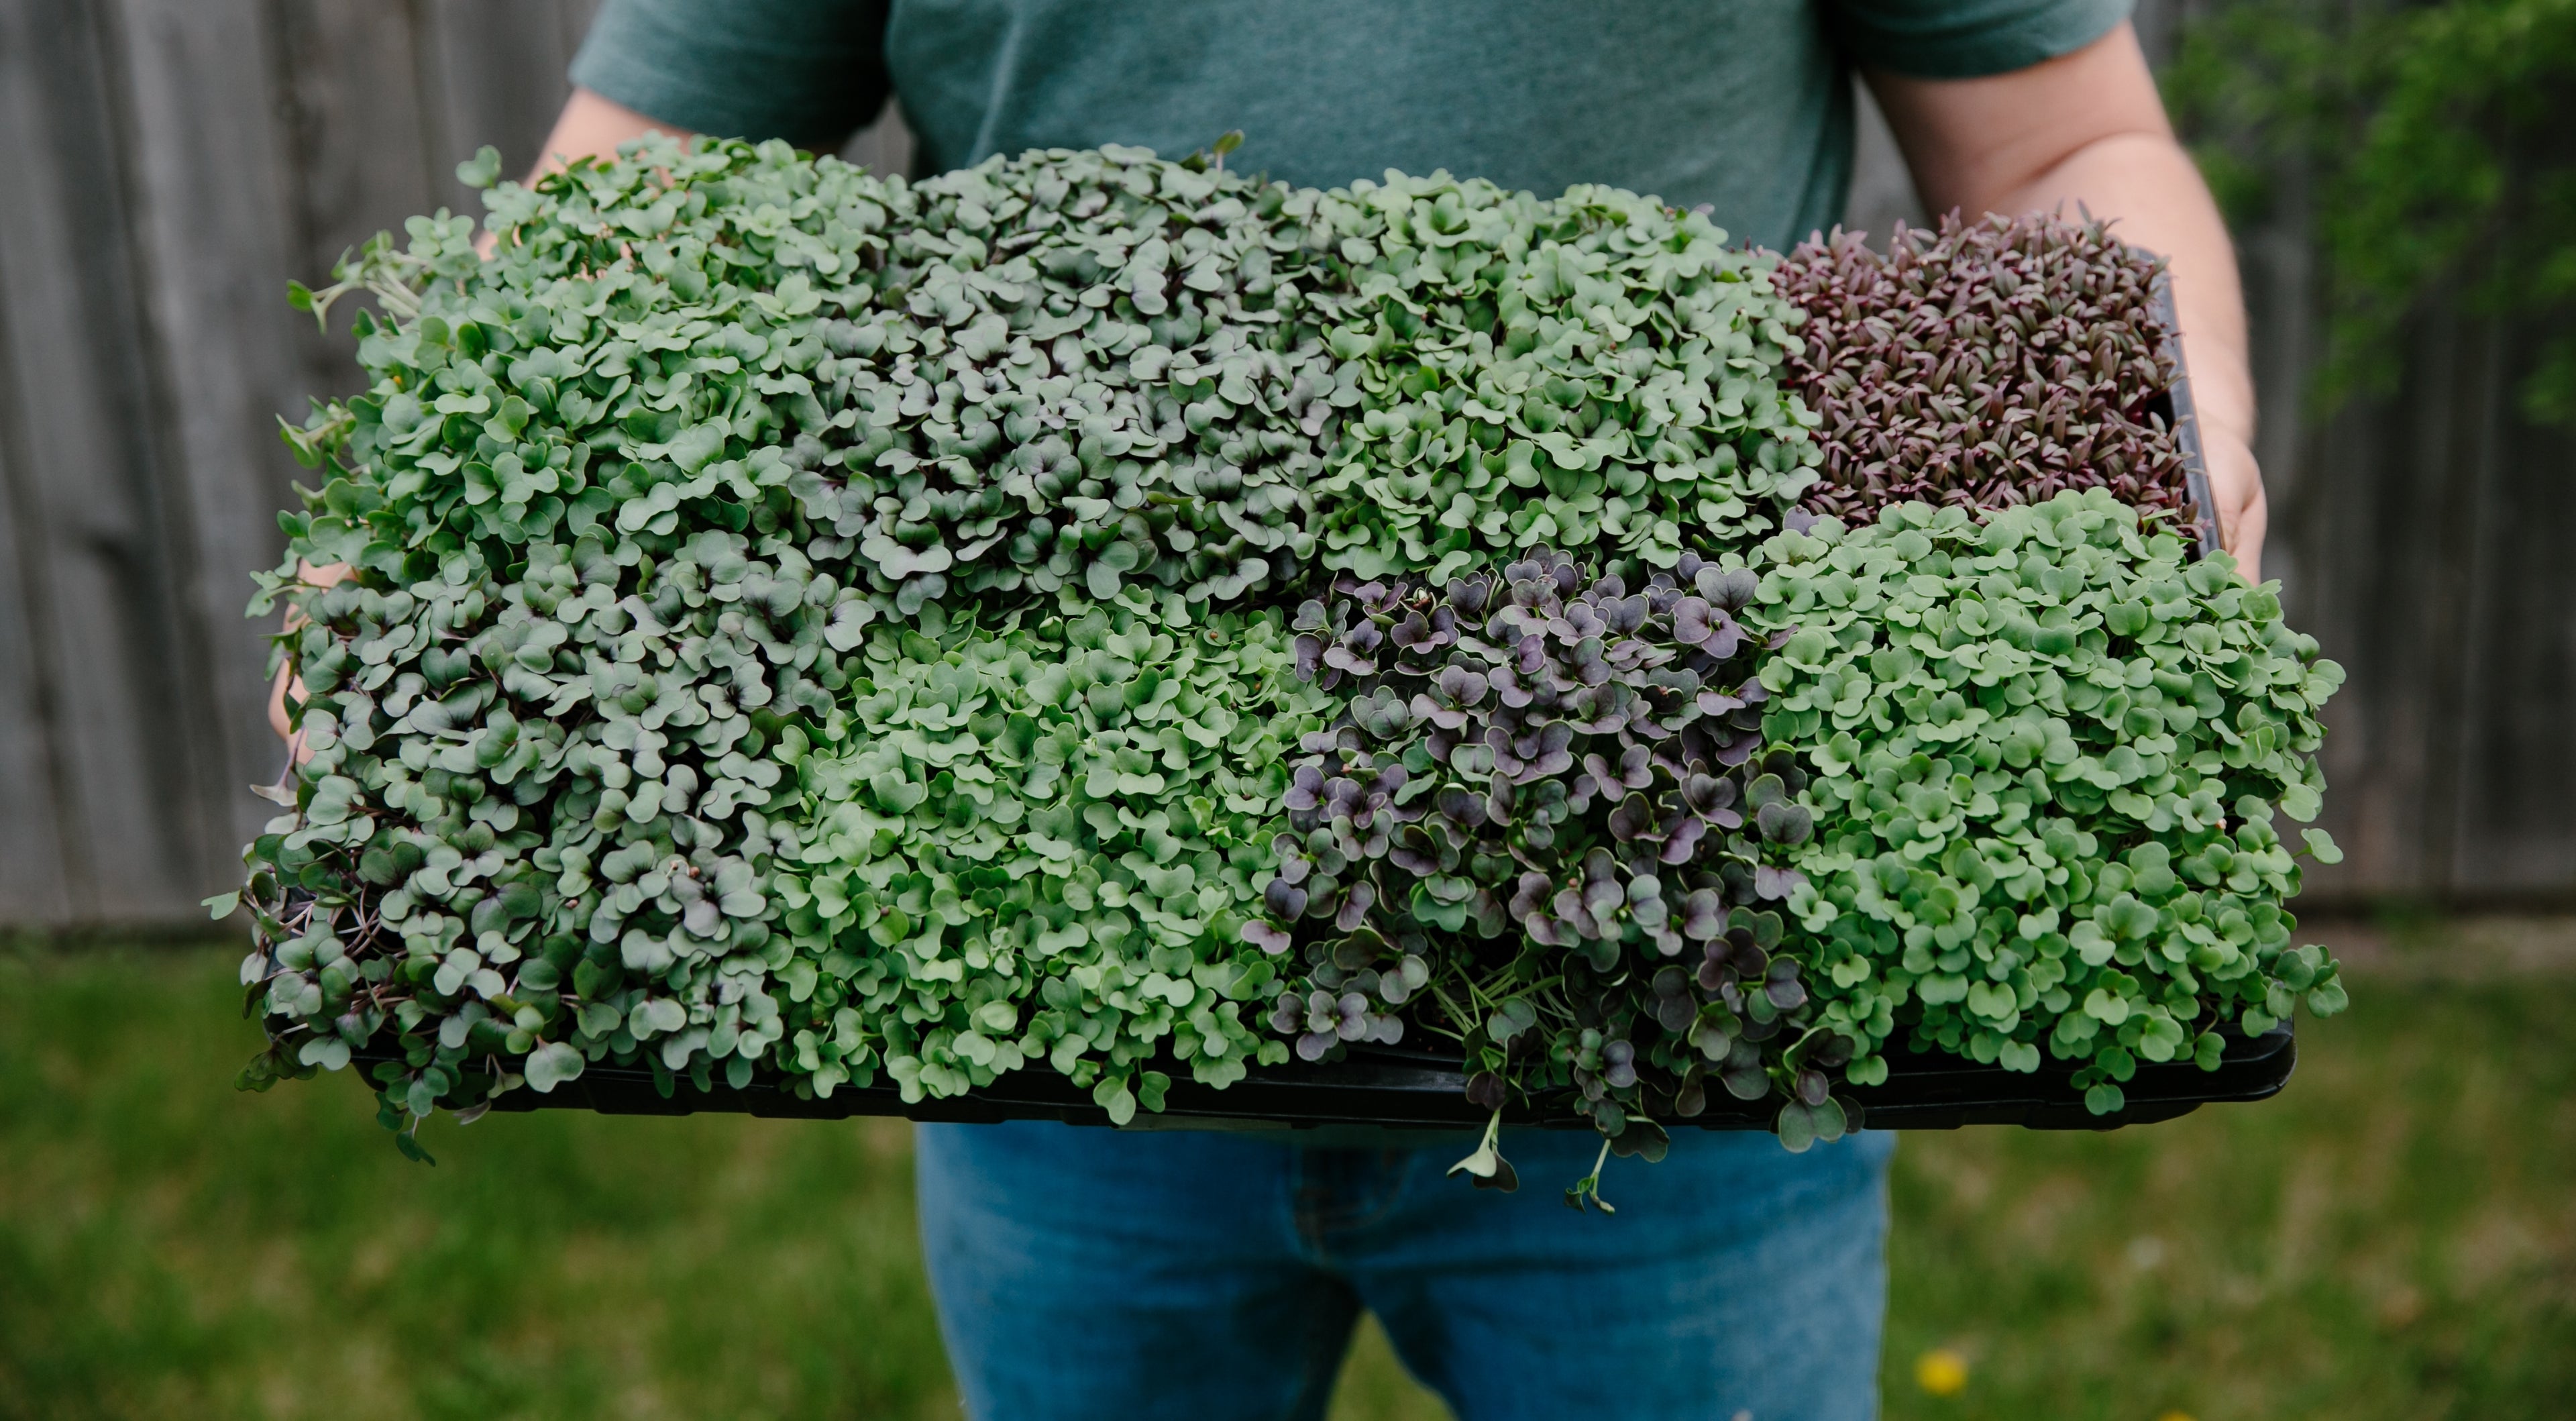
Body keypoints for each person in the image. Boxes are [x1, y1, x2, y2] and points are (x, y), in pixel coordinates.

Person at [308, 3, 2271, 1416]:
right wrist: (446, 494)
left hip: (1680, 1012)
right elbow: (639, 179)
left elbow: (2056, 146)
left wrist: (2173, 439)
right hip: (1066, 1025)